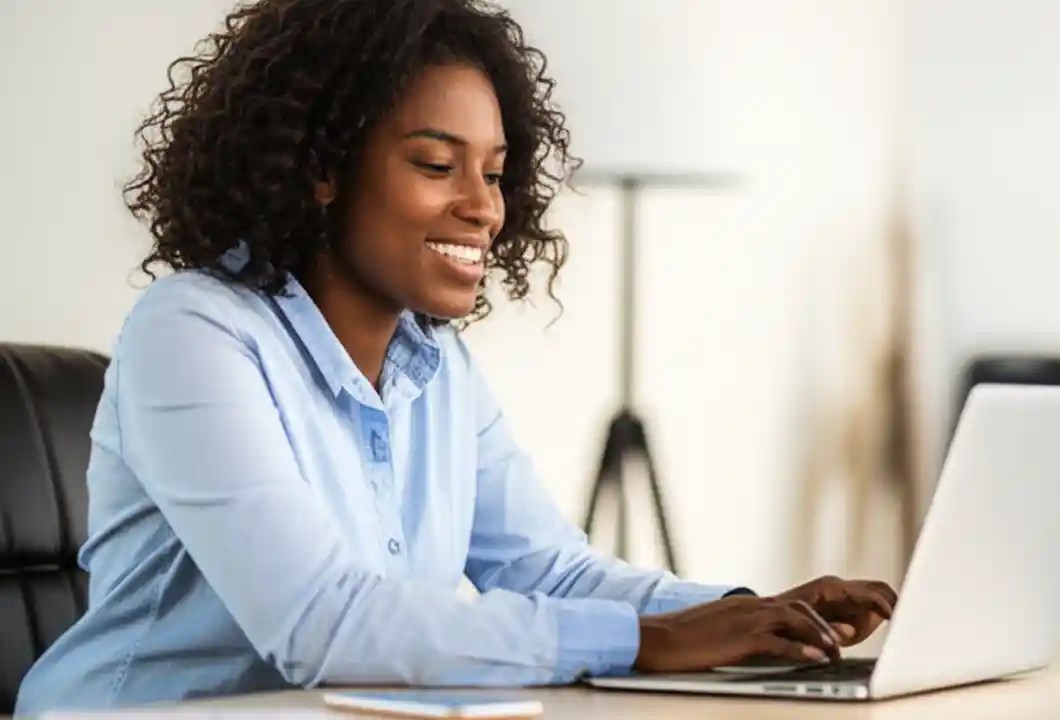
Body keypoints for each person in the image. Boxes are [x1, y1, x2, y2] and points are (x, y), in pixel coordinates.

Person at [15, 0, 897, 714]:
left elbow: (550, 568)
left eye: (496, 172)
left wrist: (757, 616)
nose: (484, 207)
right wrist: (650, 641)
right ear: (322, 168)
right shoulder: (194, 334)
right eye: (437, 164)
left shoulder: (433, 364)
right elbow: (327, 625)